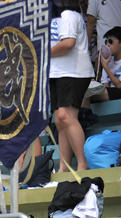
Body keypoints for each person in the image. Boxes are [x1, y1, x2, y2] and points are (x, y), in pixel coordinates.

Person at [52, 0, 94, 172]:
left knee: (66, 116)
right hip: (56, 72)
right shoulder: (55, 17)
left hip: (72, 72)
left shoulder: (67, 14)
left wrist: (41, 53)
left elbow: (68, 43)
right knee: (59, 120)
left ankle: (82, 164)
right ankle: (64, 167)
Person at [95, 27, 121, 101]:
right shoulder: (108, 62)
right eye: (106, 41)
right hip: (112, 93)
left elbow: (119, 85)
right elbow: (105, 85)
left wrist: (105, 67)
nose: (107, 44)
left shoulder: (106, 64)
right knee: (87, 92)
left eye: (110, 41)